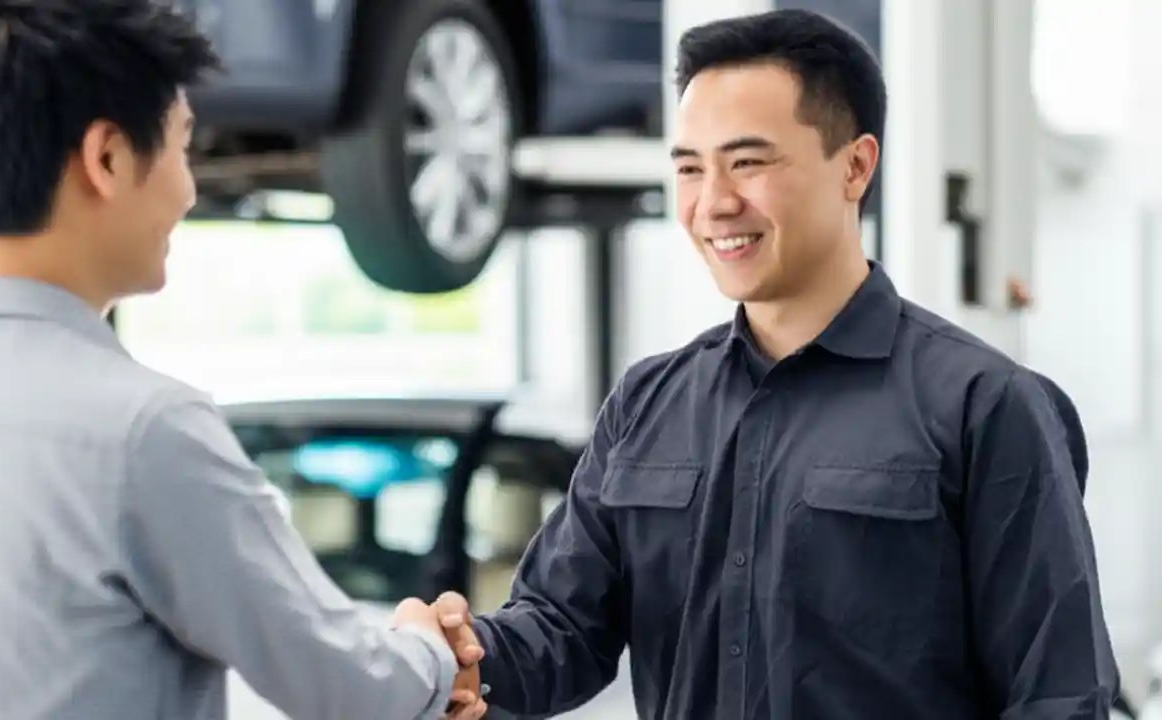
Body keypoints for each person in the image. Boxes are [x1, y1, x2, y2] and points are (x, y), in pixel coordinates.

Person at [431, 9, 1120, 719]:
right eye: (691, 169)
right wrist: (453, 654)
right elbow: (562, 629)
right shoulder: (647, 404)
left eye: (749, 162)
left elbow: (1060, 696)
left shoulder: (985, 405)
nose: (715, 203)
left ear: (855, 166)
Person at [0, 1, 484, 718]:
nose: (188, 189)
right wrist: (427, 648)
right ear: (107, 158)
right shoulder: (142, 430)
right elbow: (348, 687)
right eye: (179, 147)